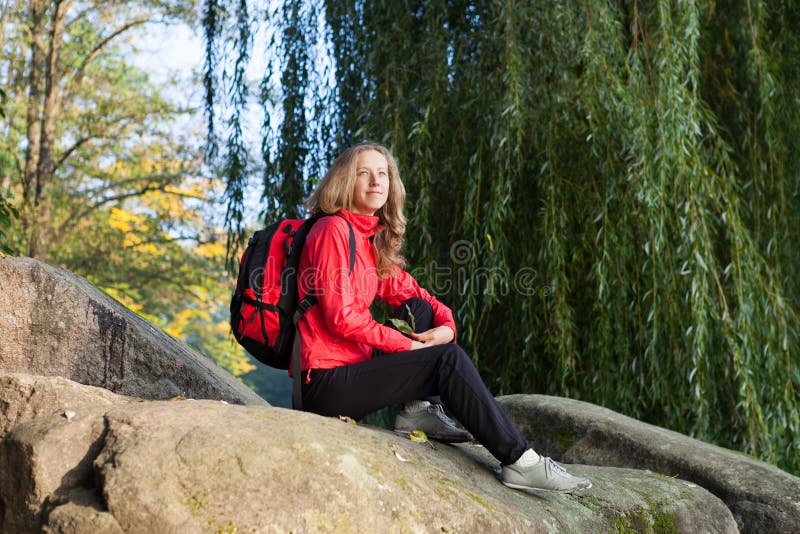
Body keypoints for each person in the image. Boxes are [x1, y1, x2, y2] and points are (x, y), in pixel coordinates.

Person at [295, 141, 591, 493]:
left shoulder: (367, 238)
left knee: (419, 312)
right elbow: (340, 318)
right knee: (445, 362)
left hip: (350, 367)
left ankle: (417, 410)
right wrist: (407, 346)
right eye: (364, 173)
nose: (376, 181)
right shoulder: (332, 231)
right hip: (326, 383)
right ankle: (520, 462)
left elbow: (414, 294)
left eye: (383, 173)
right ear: (345, 181)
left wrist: (447, 326)